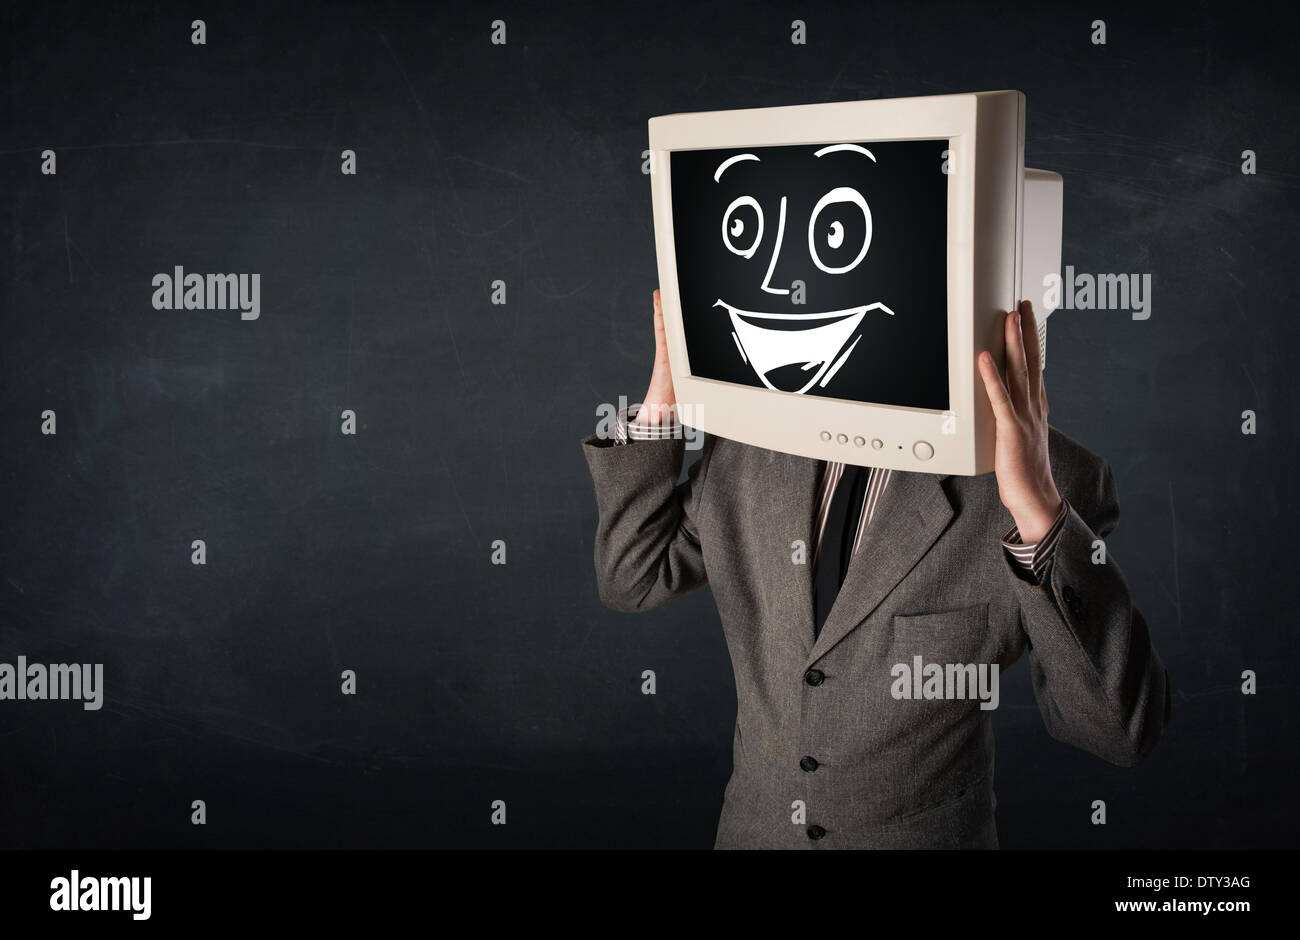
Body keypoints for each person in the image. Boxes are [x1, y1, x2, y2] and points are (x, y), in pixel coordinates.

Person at [580, 289, 1171, 849]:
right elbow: (633, 576)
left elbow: (1118, 733)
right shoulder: (750, 441)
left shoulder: (1049, 480)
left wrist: (1038, 512)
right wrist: (663, 406)